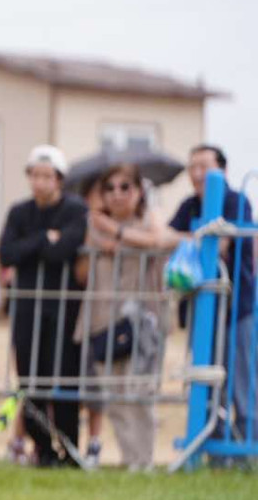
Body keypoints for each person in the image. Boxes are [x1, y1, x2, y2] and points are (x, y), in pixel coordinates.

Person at [0, 145, 88, 467]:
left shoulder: (75, 209)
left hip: (63, 308)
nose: (39, 182)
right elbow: (7, 253)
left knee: (64, 377)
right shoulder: (19, 211)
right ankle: (44, 450)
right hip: (26, 307)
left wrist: (40, 245)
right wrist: (41, 239)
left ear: (59, 179)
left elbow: (62, 250)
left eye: (46, 176)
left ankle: (69, 449)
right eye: (34, 175)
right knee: (30, 378)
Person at [163, 144, 255, 442]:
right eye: (193, 167)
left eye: (204, 166)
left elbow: (220, 244)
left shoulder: (235, 200)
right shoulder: (190, 205)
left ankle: (248, 449)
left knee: (240, 381)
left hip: (236, 307)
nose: (197, 174)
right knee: (204, 382)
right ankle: (212, 447)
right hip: (201, 309)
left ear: (223, 171)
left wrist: (184, 239)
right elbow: (162, 238)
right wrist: (190, 238)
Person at [80, 163, 168, 471]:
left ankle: (145, 460)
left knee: (139, 393)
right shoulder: (94, 226)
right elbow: (81, 267)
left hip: (141, 323)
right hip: (103, 318)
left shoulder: (149, 219)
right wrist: (99, 240)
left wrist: (116, 232)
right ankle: (130, 458)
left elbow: (158, 241)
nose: (117, 194)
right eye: (110, 188)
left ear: (138, 191)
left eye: (124, 187)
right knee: (113, 395)